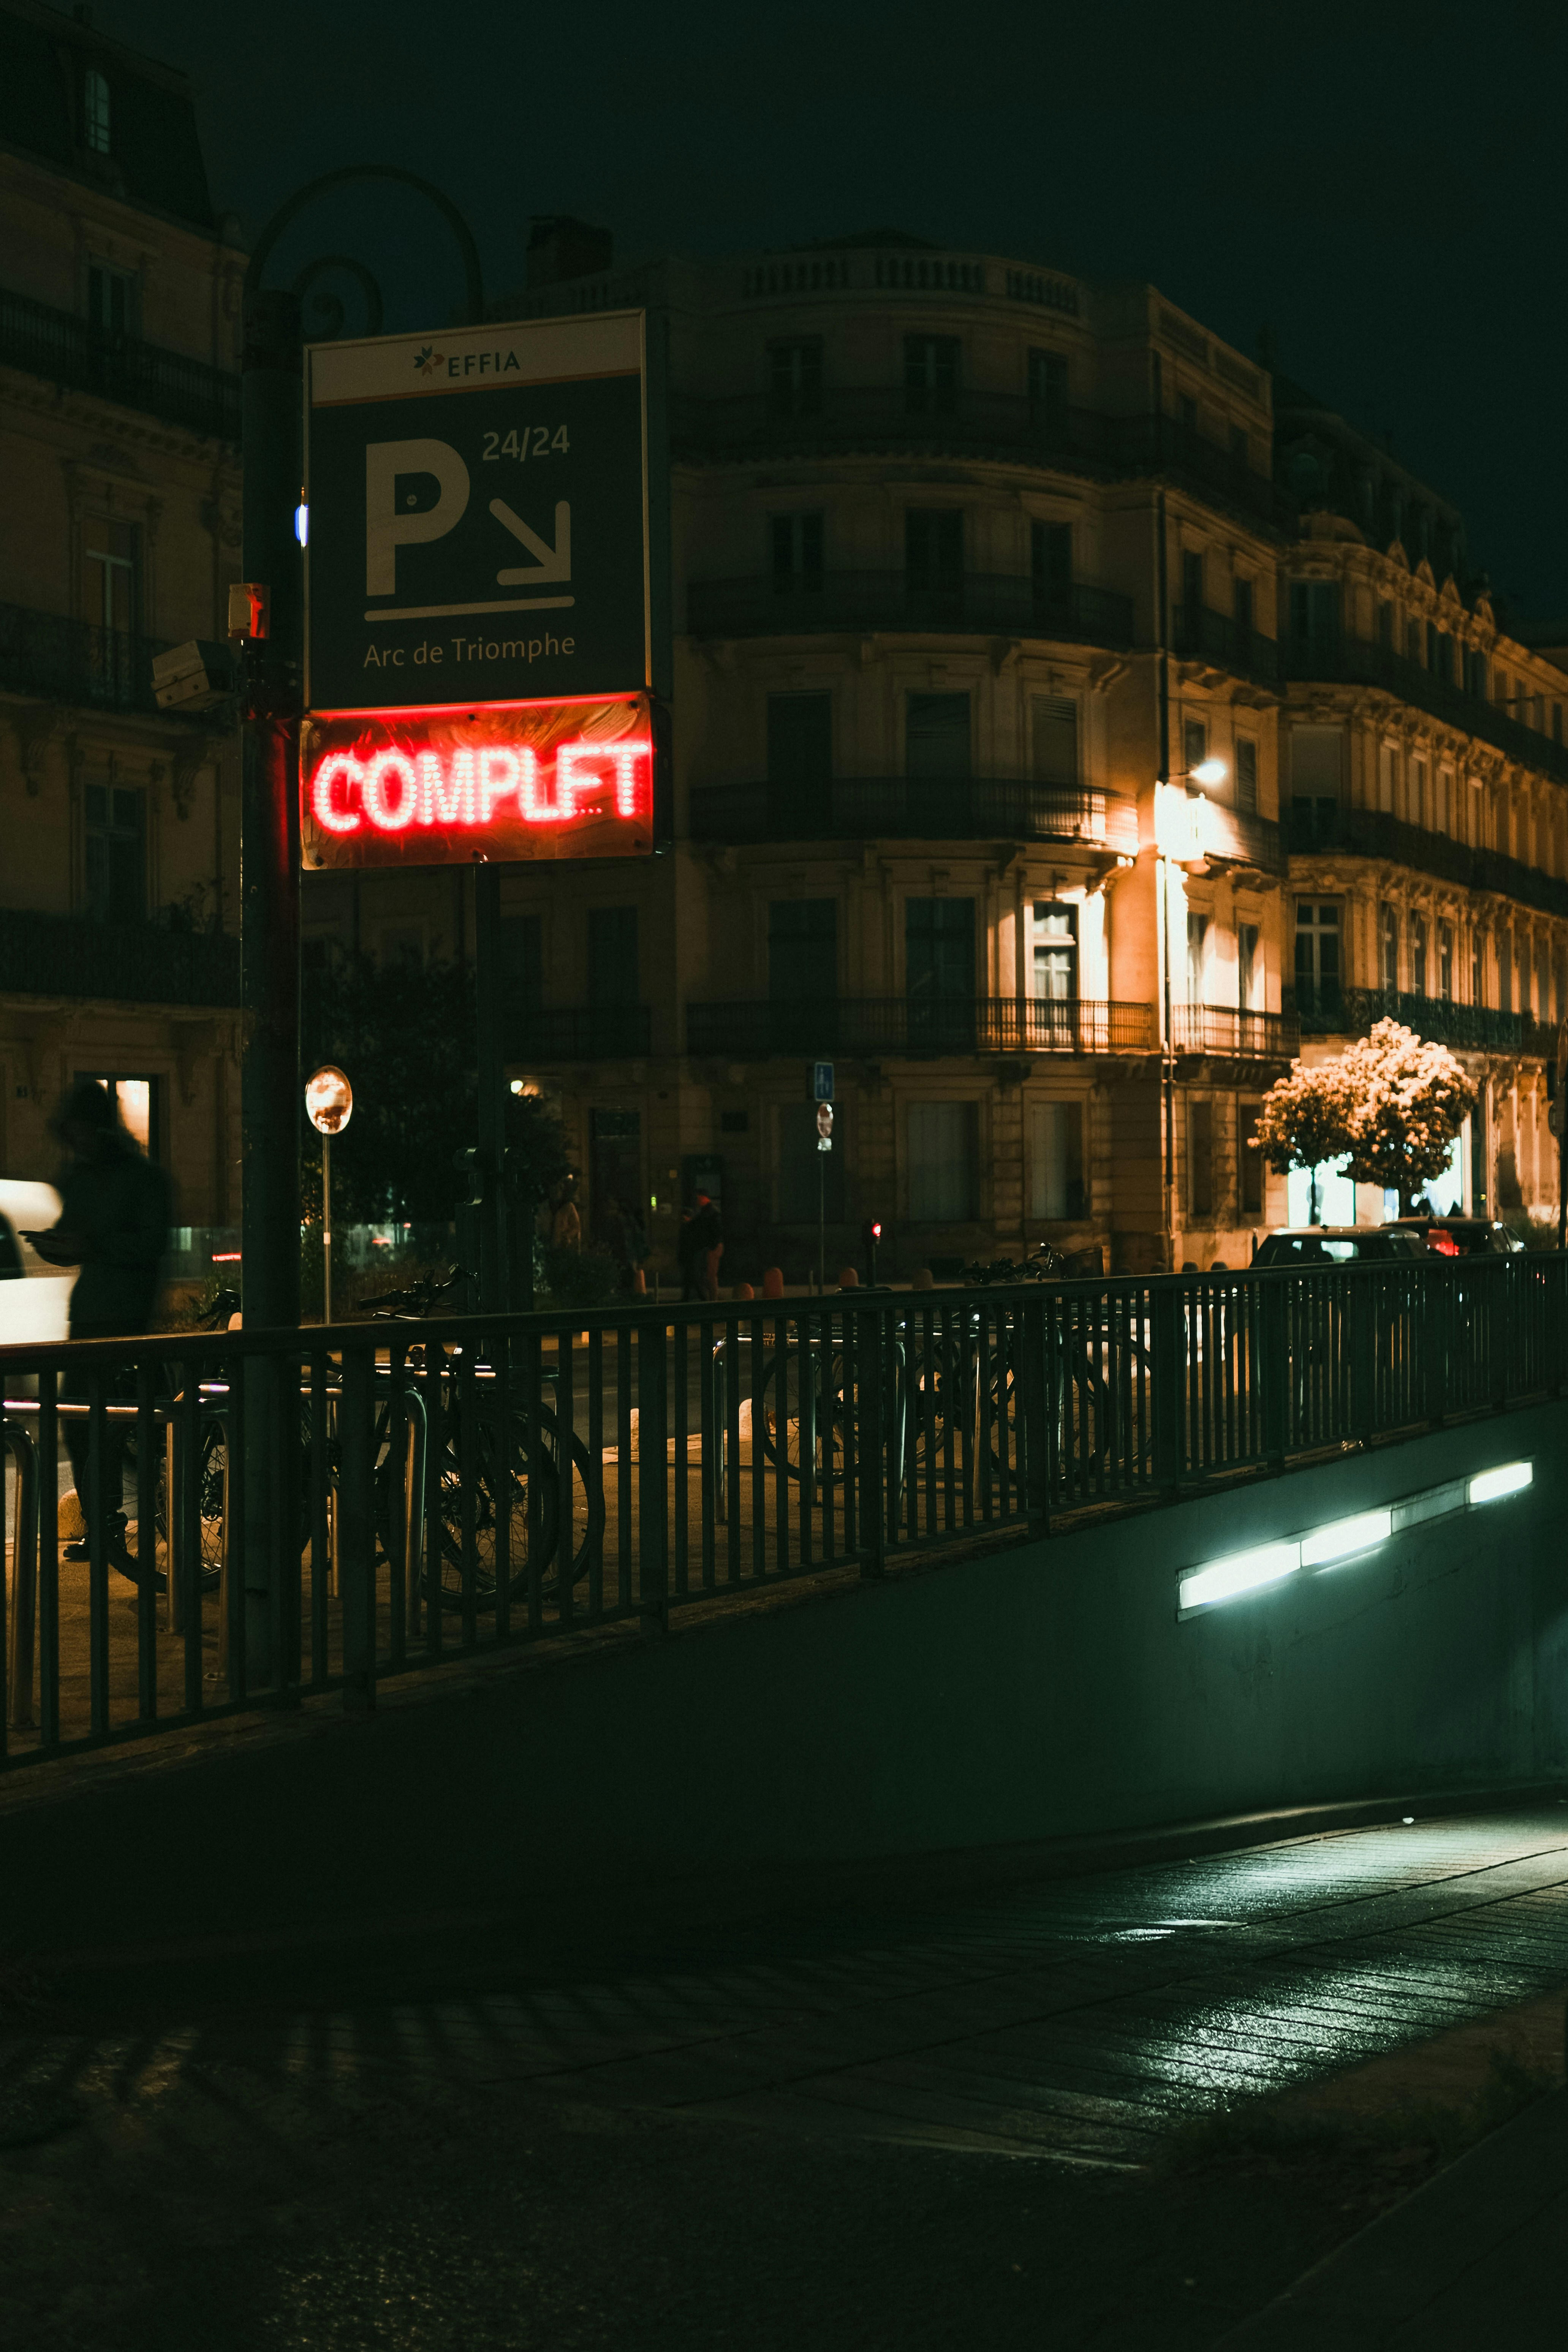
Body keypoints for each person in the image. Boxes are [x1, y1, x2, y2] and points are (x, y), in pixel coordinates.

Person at [24, 1080, 171, 1584]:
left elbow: (151, 1243)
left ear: (102, 1127)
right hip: (88, 1316)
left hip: (127, 1318)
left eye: (84, 1131)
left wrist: (93, 1243)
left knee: (121, 1426)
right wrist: (57, 1243)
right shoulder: (81, 1175)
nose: (78, 1142)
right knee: (78, 1426)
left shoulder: (143, 1178)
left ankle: (141, 1521)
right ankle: (102, 1523)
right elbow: (79, 1234)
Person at [678, 1188, 722, 1303]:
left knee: (710, 1276)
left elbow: (715, 1231)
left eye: (698, 1198)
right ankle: (709, 1299)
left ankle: (712, 1300)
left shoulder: (711, 1212)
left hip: (710, 1247)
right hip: (707, 1247)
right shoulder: (706, 1212)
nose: (697, 1201)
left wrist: (713, 1246)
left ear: (704, 1198)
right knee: (706, 1275)